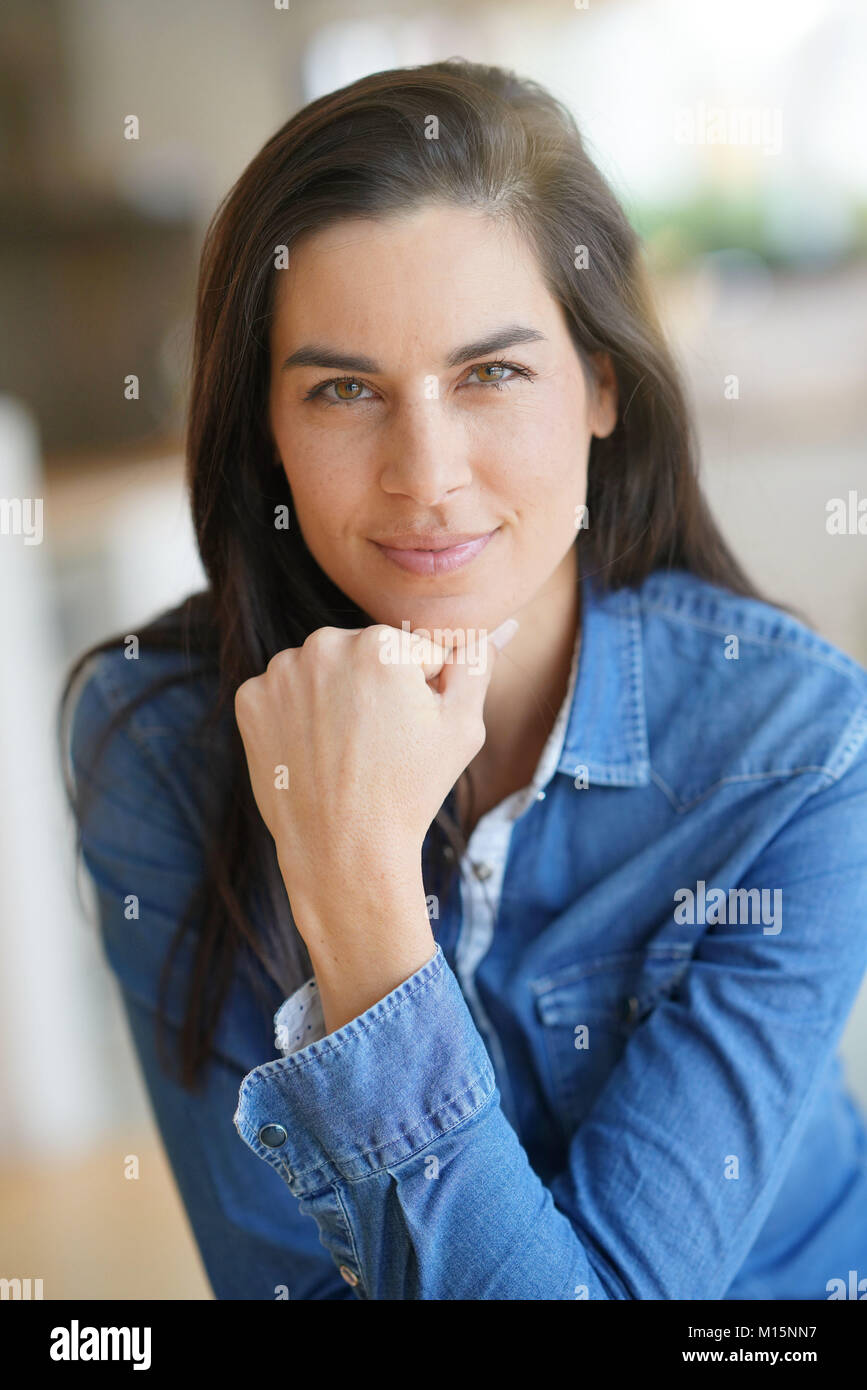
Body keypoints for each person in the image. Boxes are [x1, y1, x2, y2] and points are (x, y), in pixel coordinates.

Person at [59, 58, 867, 1301]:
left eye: (491, 373)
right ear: (263, 431)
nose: (425, 474)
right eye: (342, 389)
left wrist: (359, 899)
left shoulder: (797, 752)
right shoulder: (161, 741)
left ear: (601, 383)